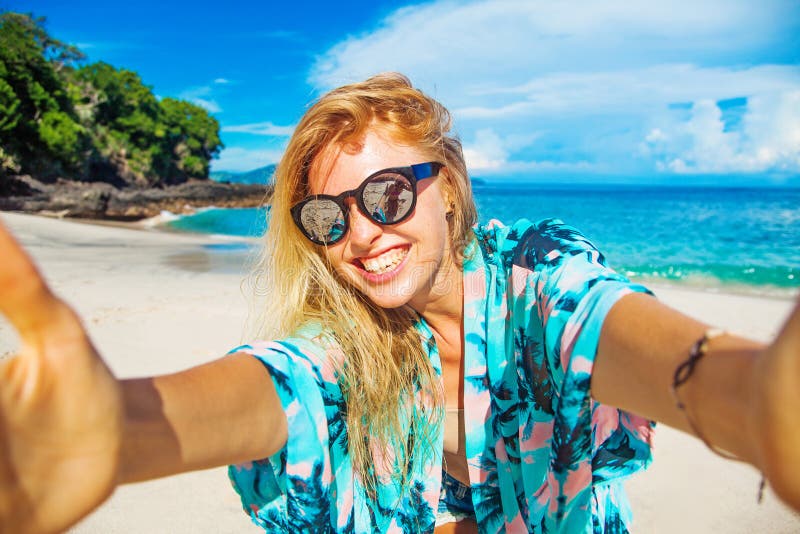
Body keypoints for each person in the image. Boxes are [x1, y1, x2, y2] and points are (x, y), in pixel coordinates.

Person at [0, 73, 798, 534]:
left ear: (446, 188)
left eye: (386, 194)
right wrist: (120, 431)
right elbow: (283, 386)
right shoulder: (351, 340)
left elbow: (594, 322)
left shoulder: (535, 278)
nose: (361, 234)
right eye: (327, 217)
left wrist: (752, 397)